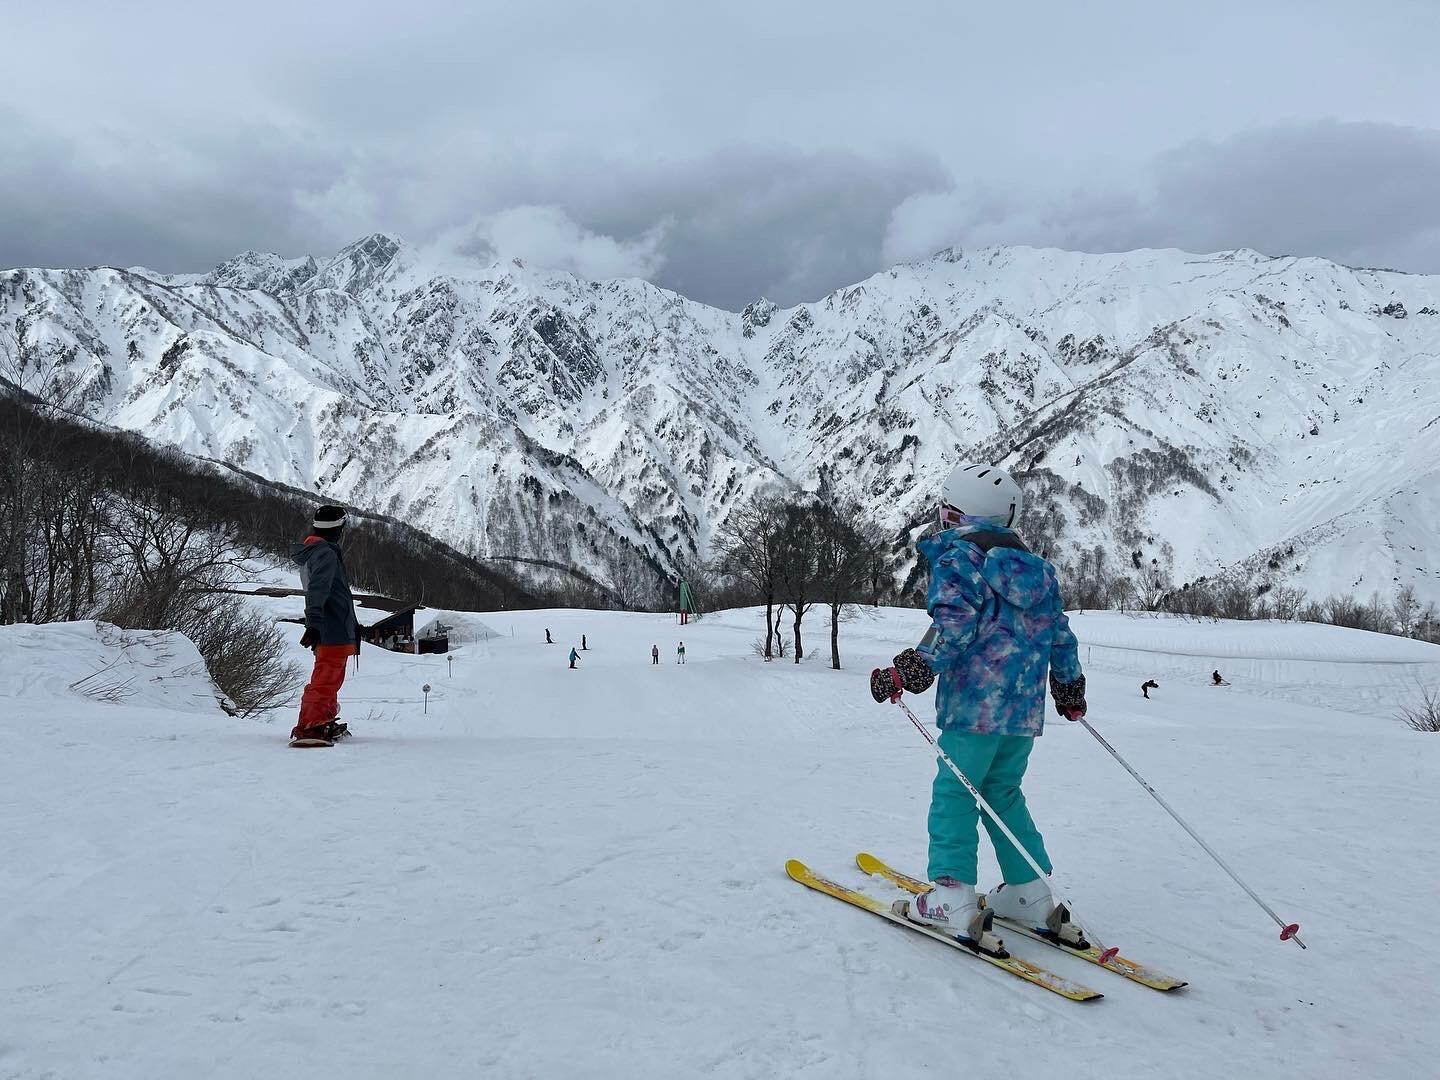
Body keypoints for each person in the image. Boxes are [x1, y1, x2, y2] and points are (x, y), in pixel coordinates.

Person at [869, 462, 1087, 955]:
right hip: (1022, 712)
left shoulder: (959, 559)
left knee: (956, 792)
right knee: (1002, 792)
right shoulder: (1038, 571)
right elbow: (1061, 635)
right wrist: (1068, 689)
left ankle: (951, 898)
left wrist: (909, 671)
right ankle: (1029, 894)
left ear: (953, 511)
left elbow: (953, 628)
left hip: (974, 709)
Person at [289, 505, 359, 747]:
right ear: (339, 528)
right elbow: (318, 590)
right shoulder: (324, 553)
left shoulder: (314, 552)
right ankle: (312, 725)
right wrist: (315, 624)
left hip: (330, 626)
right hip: (332, 627)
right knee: (326, 677)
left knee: (330, 676)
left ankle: (322, 719)